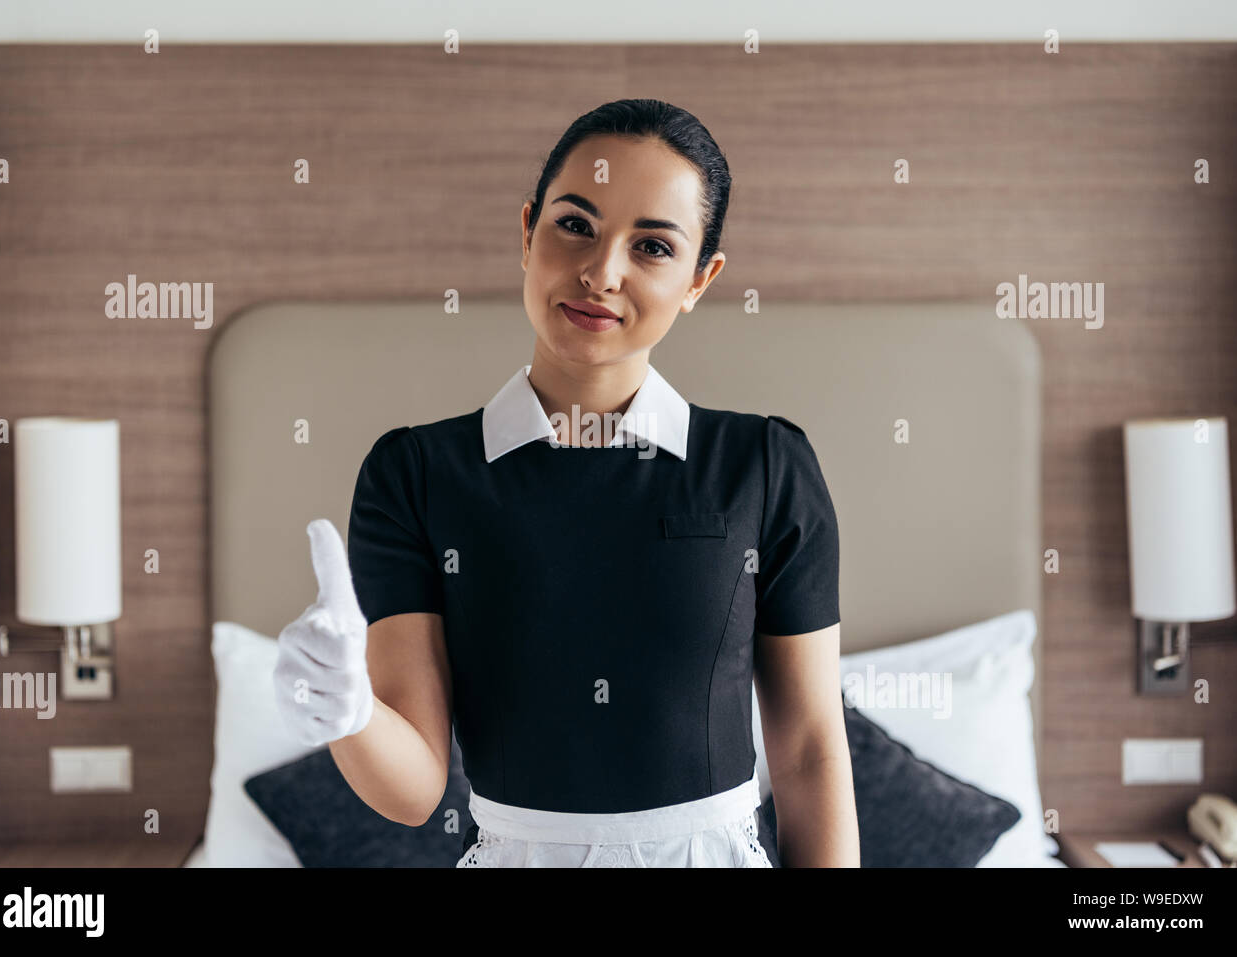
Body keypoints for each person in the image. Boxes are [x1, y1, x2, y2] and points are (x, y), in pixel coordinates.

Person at [273, 99, 858, 867]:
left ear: (699, 279)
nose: (601, 272)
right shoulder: (415, 474)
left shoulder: (764, 466)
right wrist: (347, 710)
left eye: (652, 246)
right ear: (527, 232)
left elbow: (811, 752)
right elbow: (415, 791)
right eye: (575, 224)